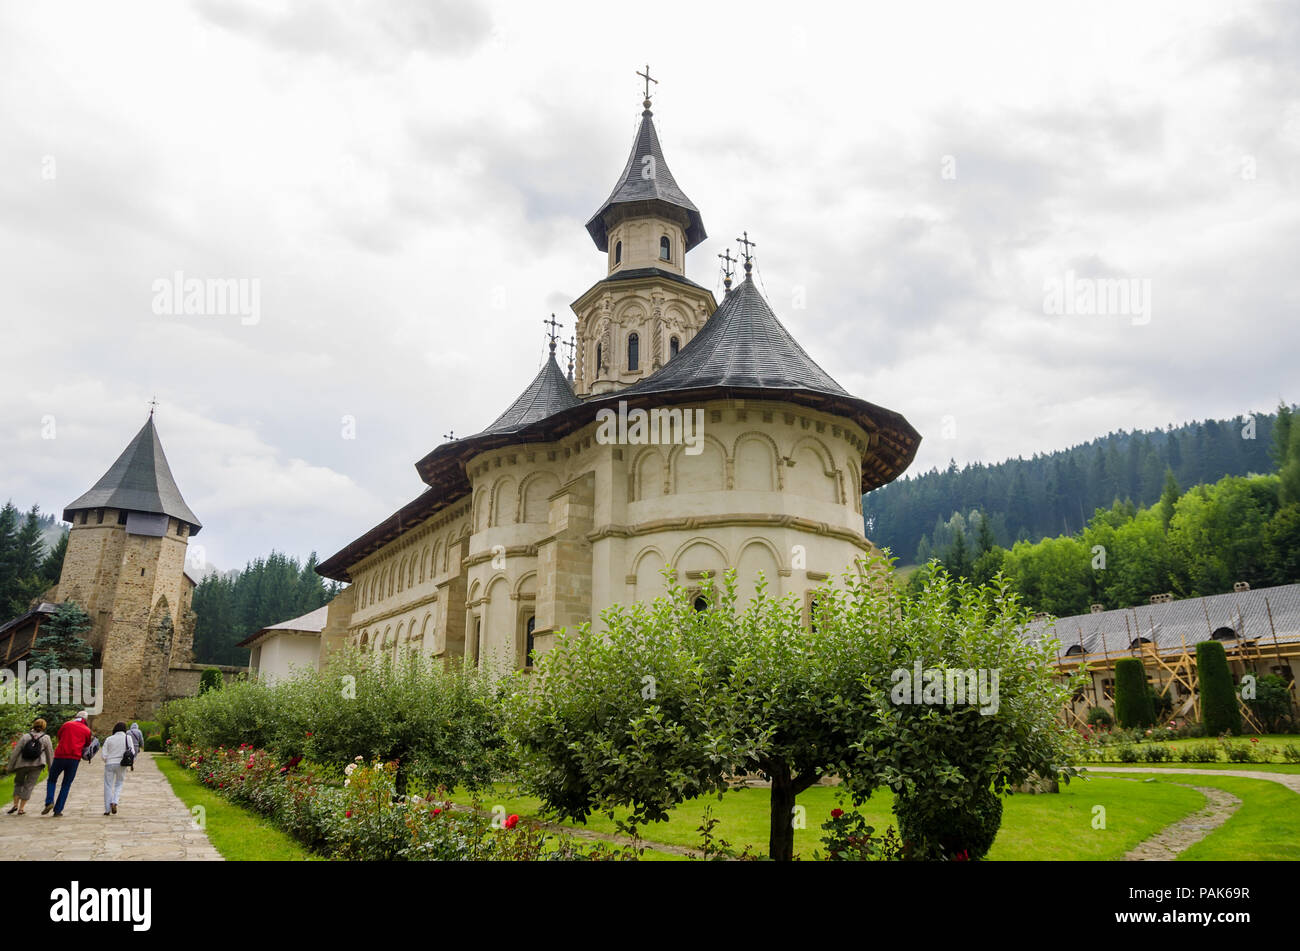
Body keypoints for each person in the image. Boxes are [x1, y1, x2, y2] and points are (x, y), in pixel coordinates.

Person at [42, 711, 93, 817]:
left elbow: (59, 736)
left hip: (60, 756)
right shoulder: (87, 730)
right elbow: (87, 744)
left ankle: (49, 801)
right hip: (74, 759)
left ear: (76, 717)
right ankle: (58, 810)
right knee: (66, 784)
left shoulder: (67, 724)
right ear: (85, 719)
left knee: (52, 779)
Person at [6, 717, 54, 815]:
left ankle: (15, 805)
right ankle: (21, 809)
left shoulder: (25, 736)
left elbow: (16, 752)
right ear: (44, 727)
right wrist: (51, 768)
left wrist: (10, 766)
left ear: (34, 725)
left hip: (22, 764)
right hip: (37, 765)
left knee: (18, 783)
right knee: (29, 785)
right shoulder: (46, 738)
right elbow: (49, 754)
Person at [100, 722, 136, 816]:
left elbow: (103, 754)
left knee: (108, 785)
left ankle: (107, 809)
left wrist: (107, 760)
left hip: (110, 763)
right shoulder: (127, 738)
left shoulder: (109, 739)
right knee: (119, 783)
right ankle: (115, 801)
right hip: (122, 764)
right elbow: (132, 751)